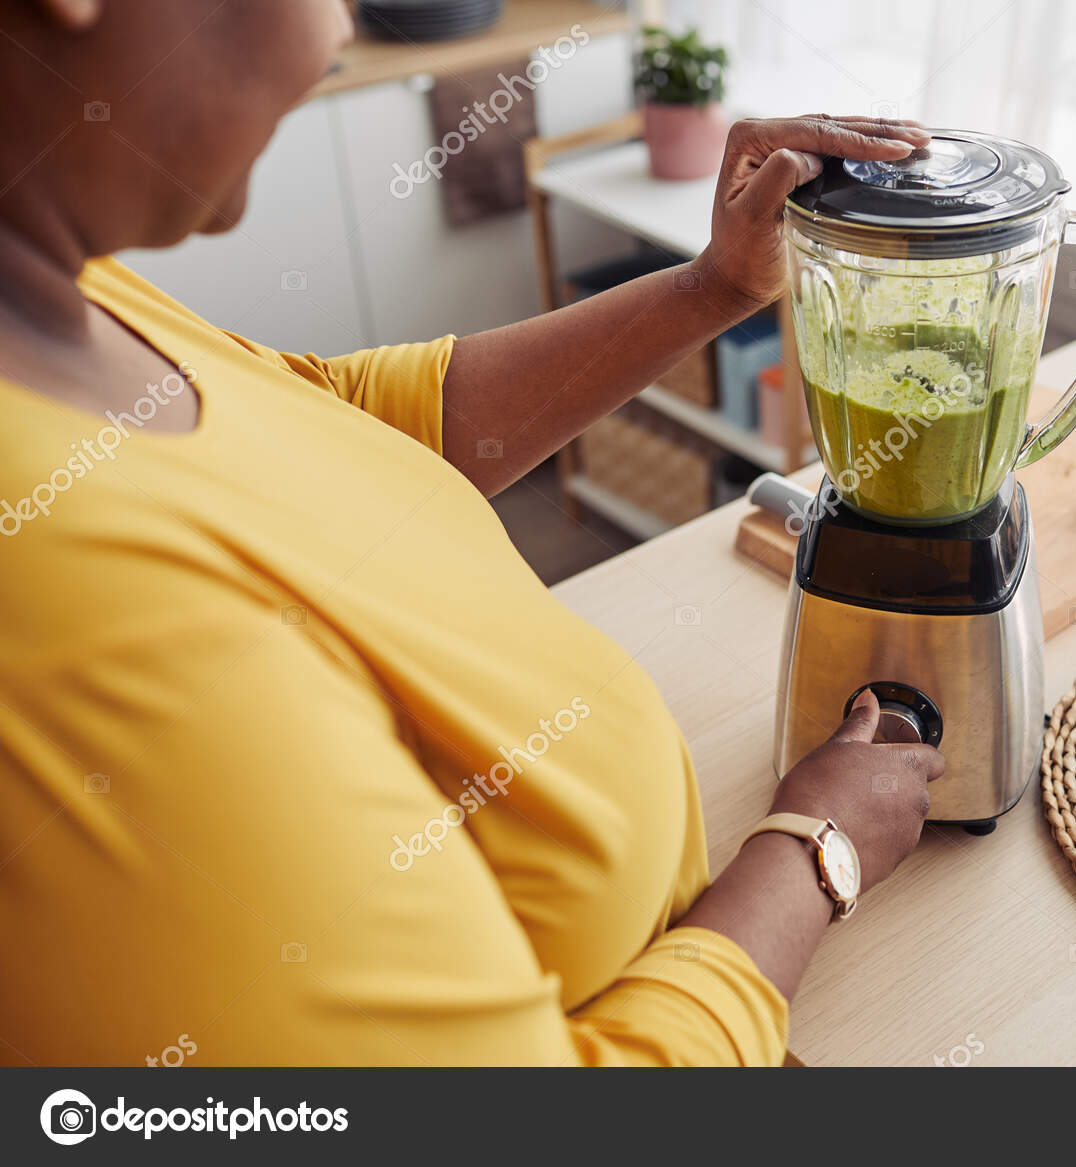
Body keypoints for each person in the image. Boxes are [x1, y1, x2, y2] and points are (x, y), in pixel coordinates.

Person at [0, 0, 944, 1066]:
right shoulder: (64, 606)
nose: (345, 23)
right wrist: (813, 854)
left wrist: (714, 285)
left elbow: (342, 433)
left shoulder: (59, 293)